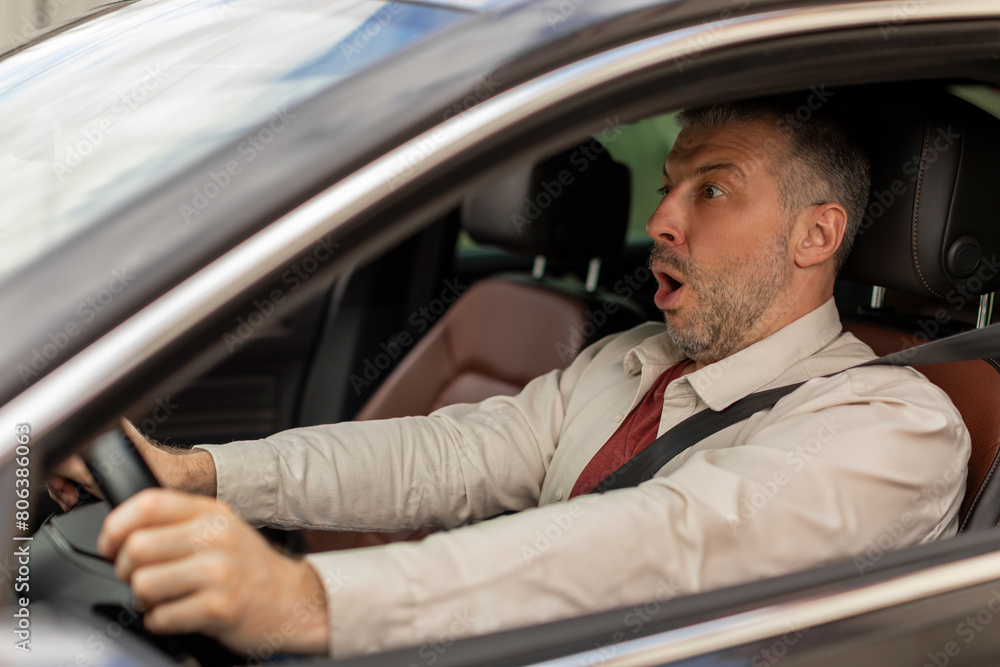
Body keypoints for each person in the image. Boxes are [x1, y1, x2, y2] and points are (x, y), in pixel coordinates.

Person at [48, 97, 971, 660]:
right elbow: (447, 456)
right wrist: (199, 474)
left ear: (816, 235)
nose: (661, 219)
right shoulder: (630, 360)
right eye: (668, 186)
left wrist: (315, 601)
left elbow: (659, 541)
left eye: (712, 189)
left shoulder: (891, 423)